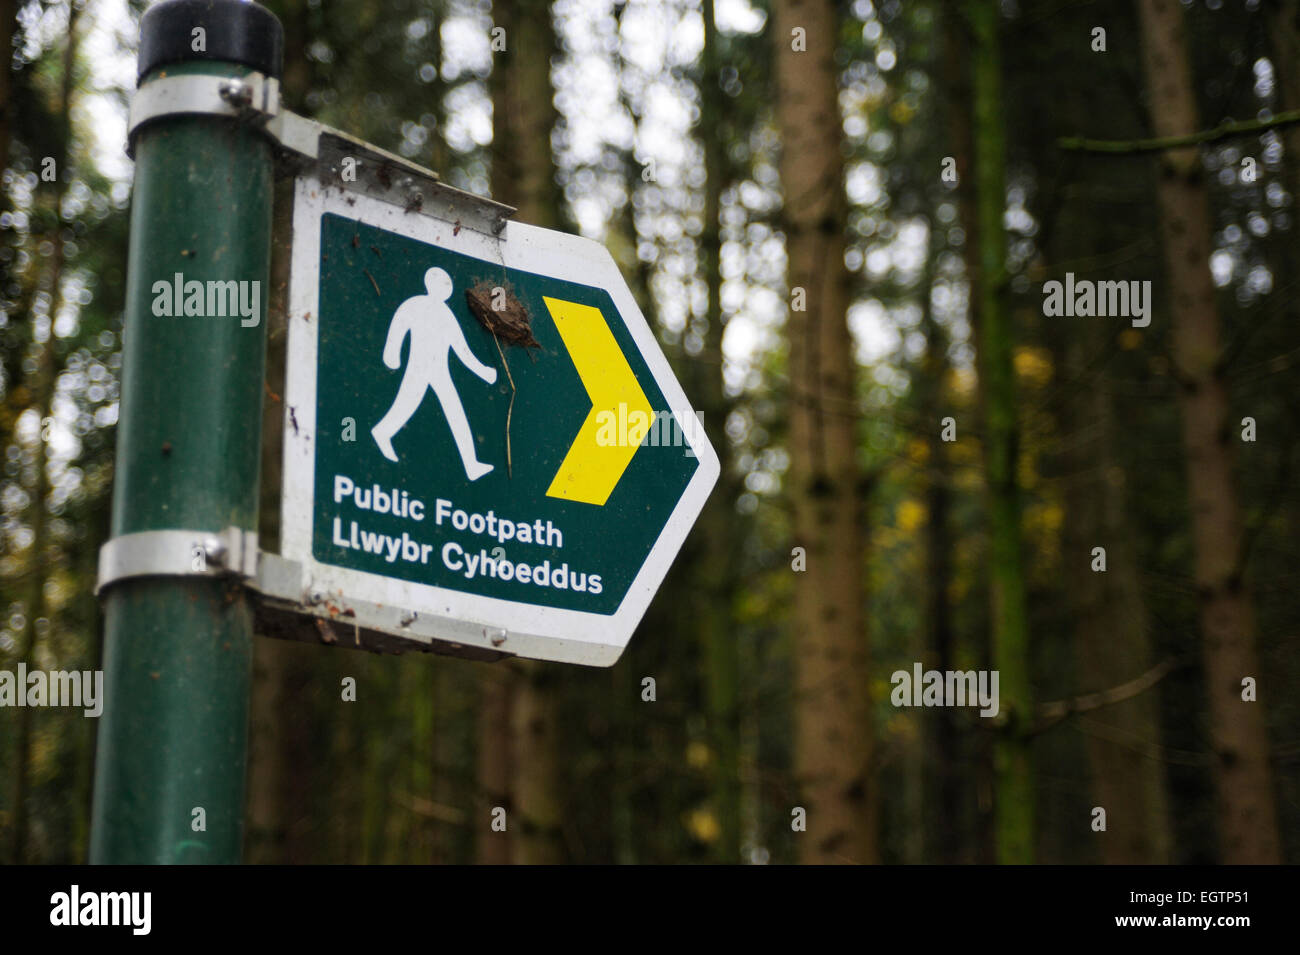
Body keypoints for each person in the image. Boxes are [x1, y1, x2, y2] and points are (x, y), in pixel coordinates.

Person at [372, 267, 498, 480]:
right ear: (432, 284)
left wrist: (484, 372)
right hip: (418, 368)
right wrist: (391, 354)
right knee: (406, 405)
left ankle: (471, 464)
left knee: (455, 412)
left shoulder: (446, 314)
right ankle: (382, 432)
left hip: (440, 372)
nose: (446, 289)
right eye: (443, 284)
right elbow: (399, 327)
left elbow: (462, 349)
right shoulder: (415, 305)